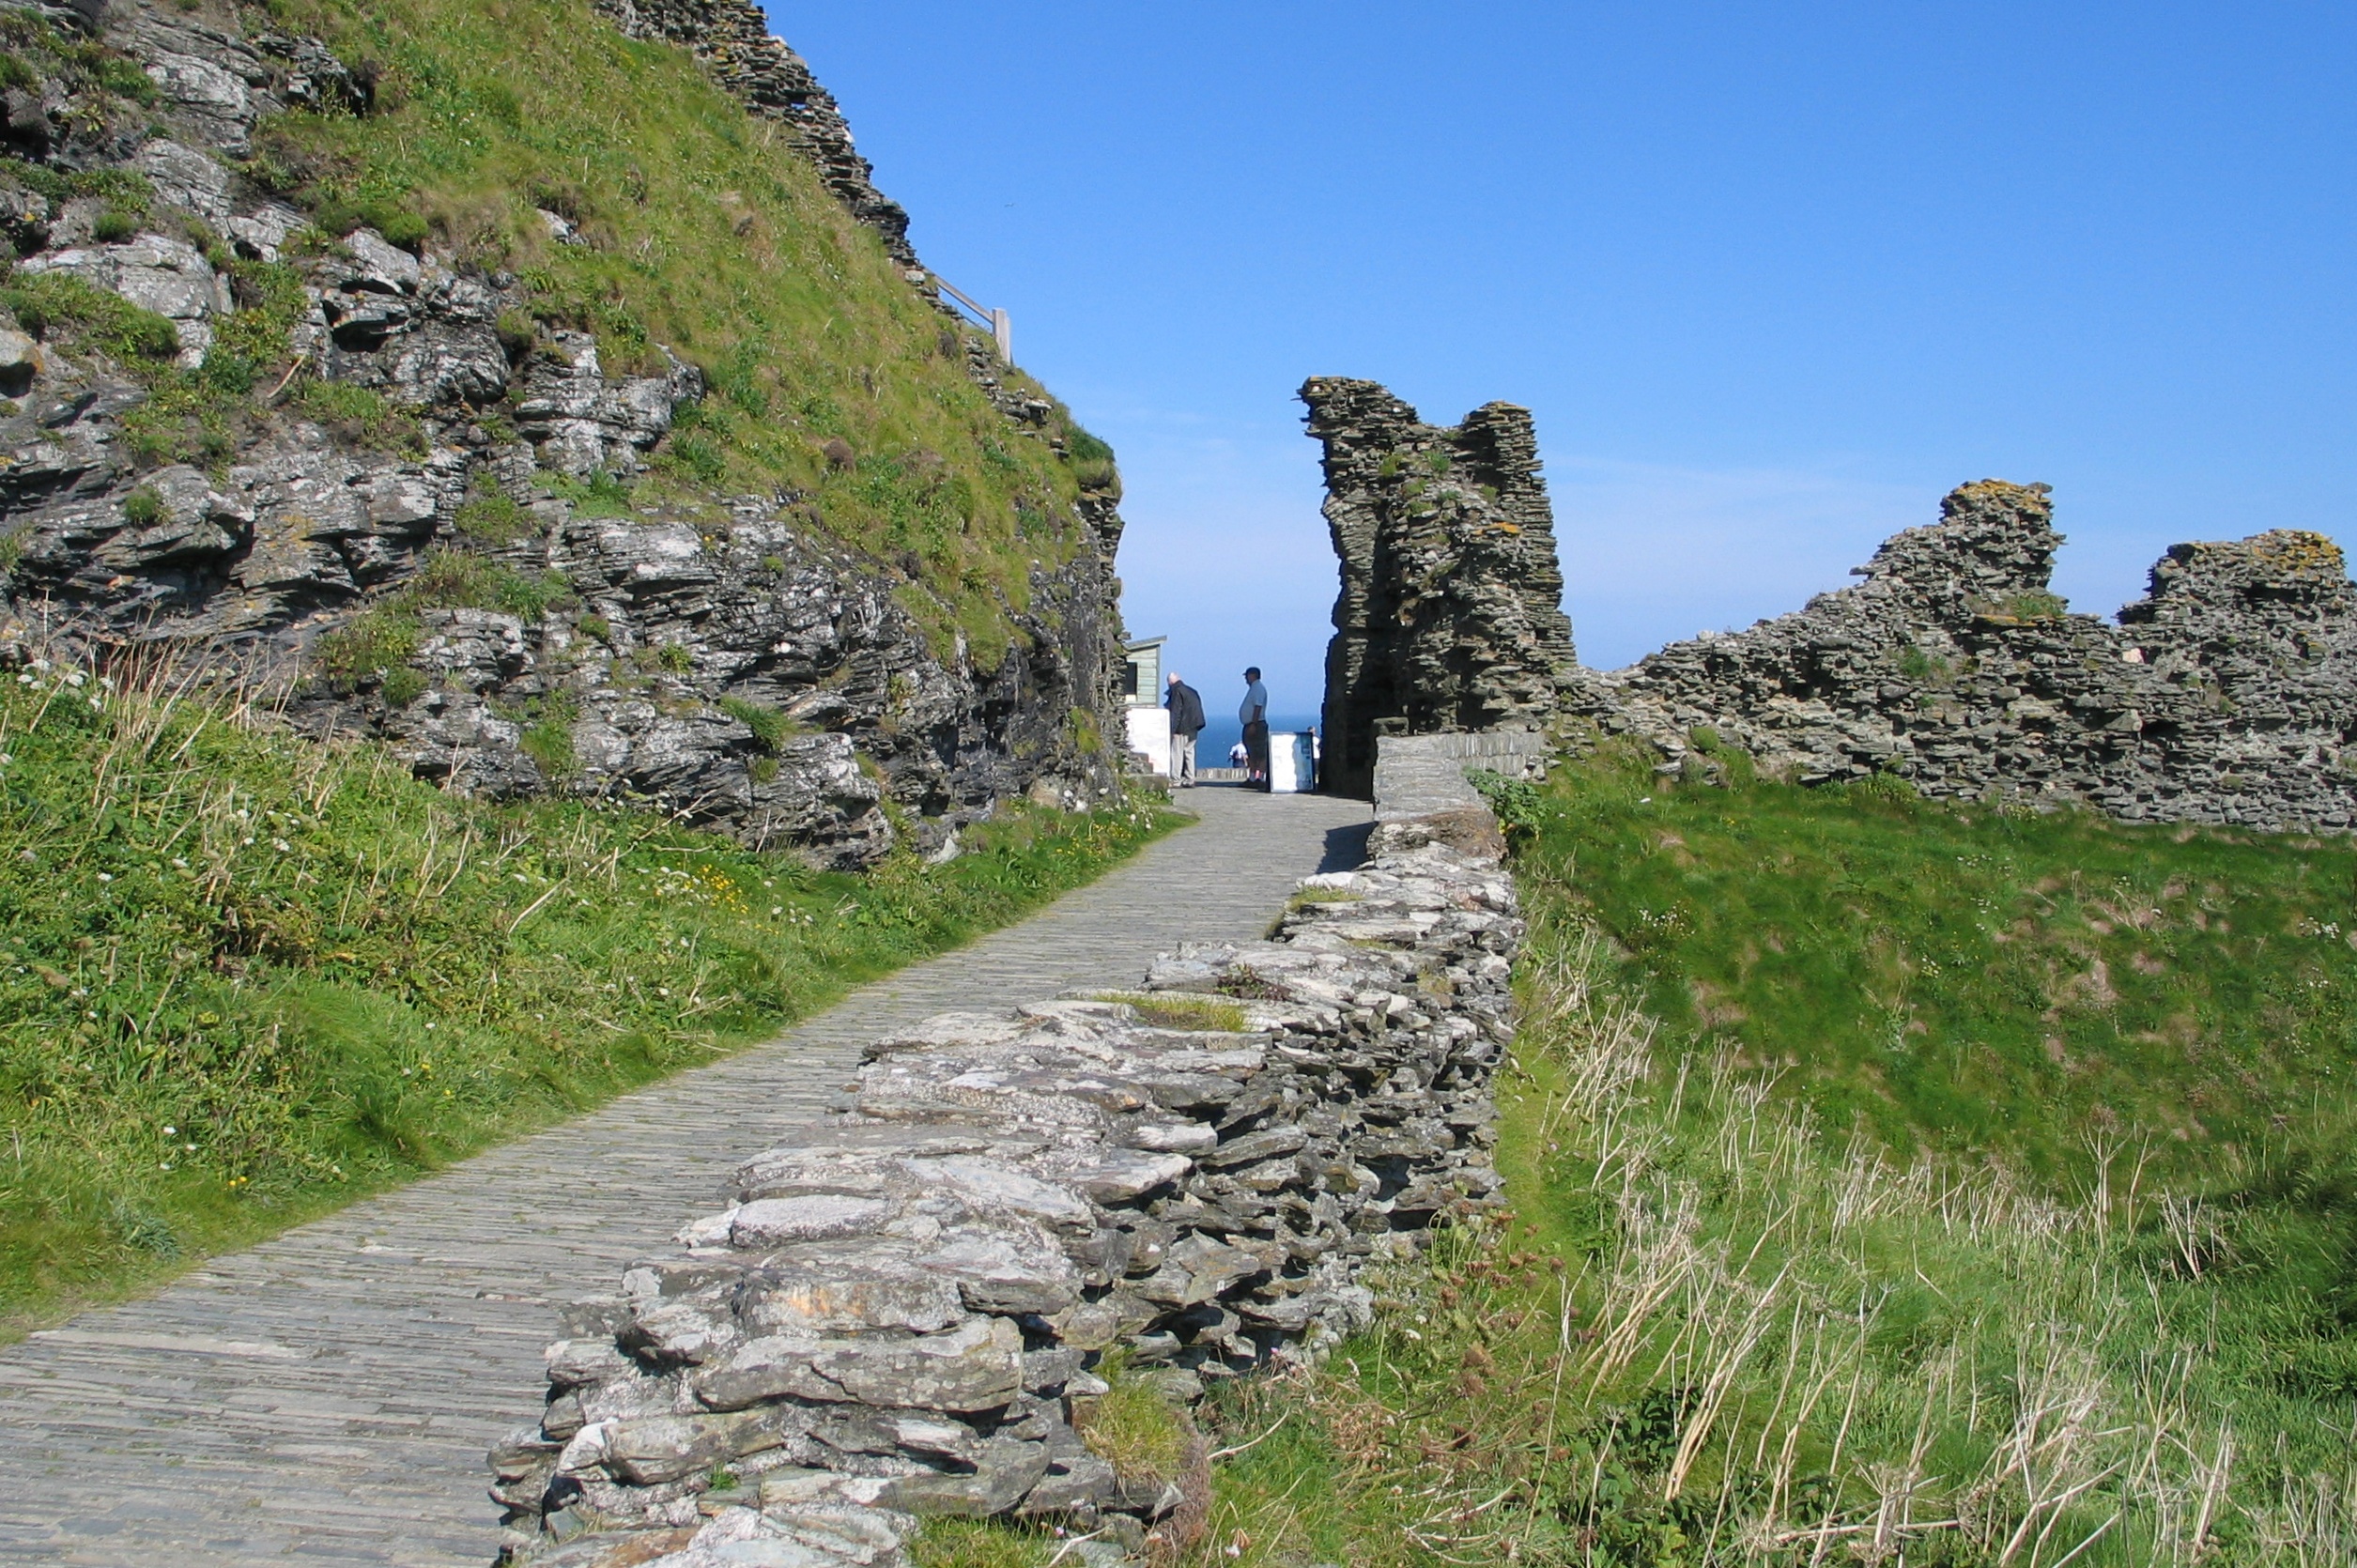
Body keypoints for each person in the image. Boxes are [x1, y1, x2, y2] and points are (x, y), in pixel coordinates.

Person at [1163, 671, 1206, 788]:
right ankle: (1190, 778)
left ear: (1169, 682)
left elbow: (1176, 711)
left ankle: (1176, 780)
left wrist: (1172, 730)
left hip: (1181, 727)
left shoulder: (1176, 691)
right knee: (1189, 752)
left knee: (1177, 753)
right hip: (1194, 726)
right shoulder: (1192, 691)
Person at [1239, 667, 1271, 791]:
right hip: (1251, 724)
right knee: (1252, 751)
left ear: (1252, 675)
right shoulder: (1254, 688)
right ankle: (1252, 778)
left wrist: (1253, 724)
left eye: (1247, 676)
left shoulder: (1258, 688)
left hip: (1256, 724)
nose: (1246, 679)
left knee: (1260, 752)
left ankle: (1260, 778)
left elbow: (1258, 706)